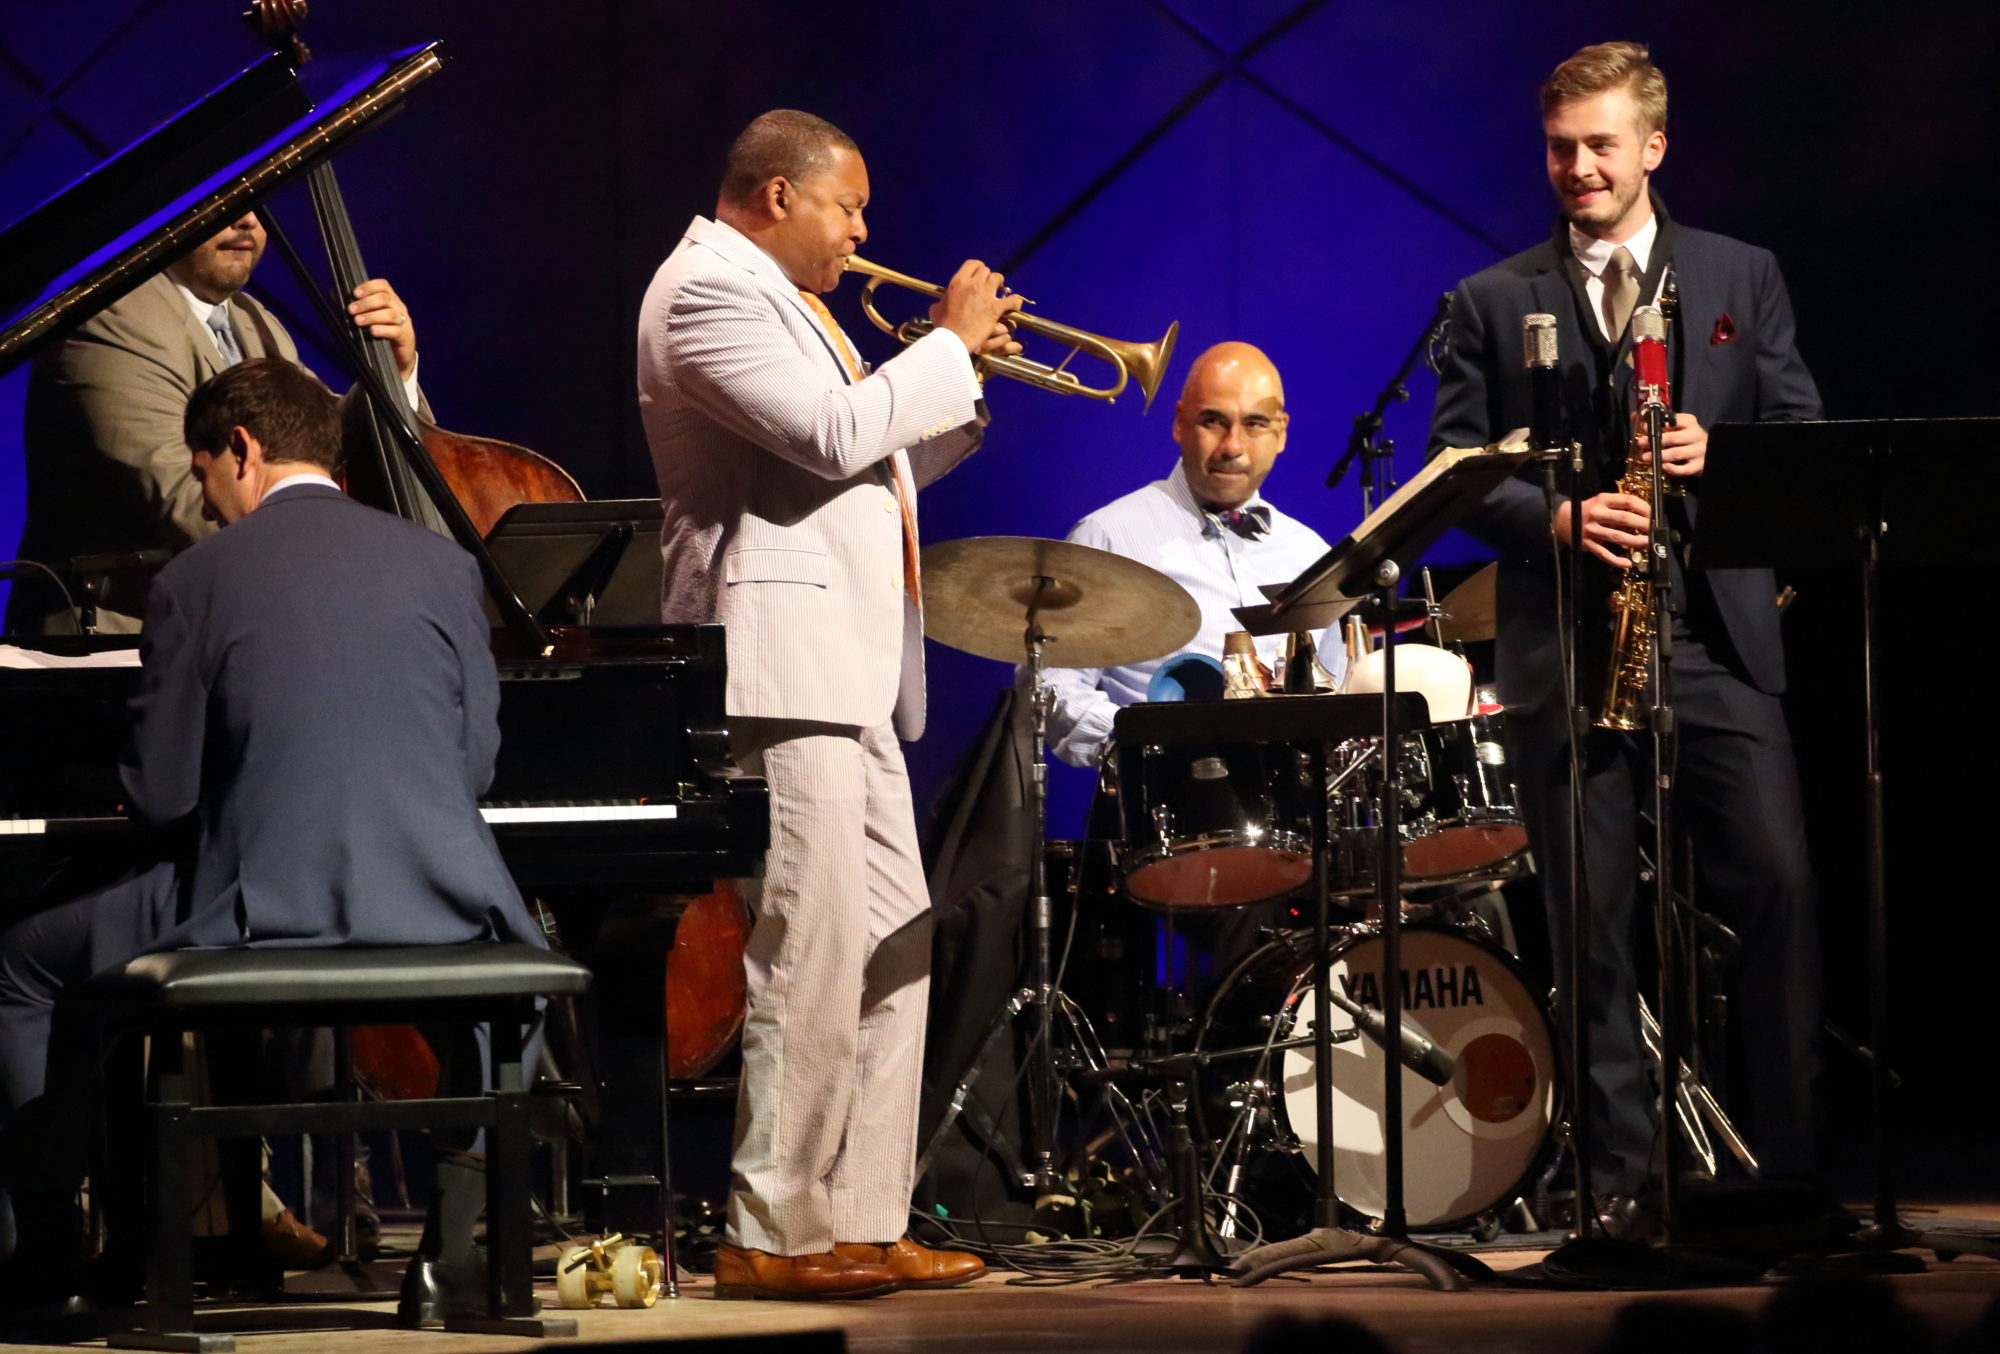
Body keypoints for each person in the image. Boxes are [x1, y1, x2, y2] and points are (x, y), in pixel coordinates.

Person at [0, 358, 542, 1316]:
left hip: (259, 904)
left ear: (241, 451)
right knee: (516, 999)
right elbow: (473, 770)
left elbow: (164, 798)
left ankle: (52, 1269)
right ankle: (448, 1257)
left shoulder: (195, 580)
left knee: (25, 964)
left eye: (206, 477)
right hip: (442, 900)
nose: (209, 508)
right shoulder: (447, 565)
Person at [1427, 42, 1822, 1224]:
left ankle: (1789, 1178)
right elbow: (1454, 475)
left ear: (1652, 147)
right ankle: (1614, 1190)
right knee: (1589, 929)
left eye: (1600, 145)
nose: (1578, 168)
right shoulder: (1489, 300)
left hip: (1711, 641)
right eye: (1560, 147)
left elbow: (1798, 439)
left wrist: (1725, 460)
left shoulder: (1738, 275)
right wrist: (1551, 512)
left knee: (1779, 893)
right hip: (1569, 649)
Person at [637, 109, 1018, 1299]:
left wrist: (962, 386)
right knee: (807, 944)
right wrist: (943, 346)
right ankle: (770, 1223)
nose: (861, 233)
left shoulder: (795, 307)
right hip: (777, 659)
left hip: (843, 667)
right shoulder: (706, 291)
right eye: (846, 206)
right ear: (774, 195)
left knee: (893, 938)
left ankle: (857, 1213)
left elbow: (875, 458)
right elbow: (828, 432)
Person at [6, 210, 422, 634]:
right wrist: (361, 554)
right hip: (123, 648)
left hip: (229, 633)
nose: (247, 219)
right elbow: (186, 504)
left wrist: (394, 373)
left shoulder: (252, 319)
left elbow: (322, 442)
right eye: (225, 198)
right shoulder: (112, 316)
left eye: (256, 200)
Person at [1042, 340, 1341, 772]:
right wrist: (1146, 743)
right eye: (1213, 421)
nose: (1232, 446)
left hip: (1291, 815)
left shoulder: (1309, 554)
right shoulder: (1110, 535)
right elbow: (1054, 684)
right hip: (1160, 807)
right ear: (1180, 423)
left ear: (1282, 432)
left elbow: (1341, 696)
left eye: (1255, 424)